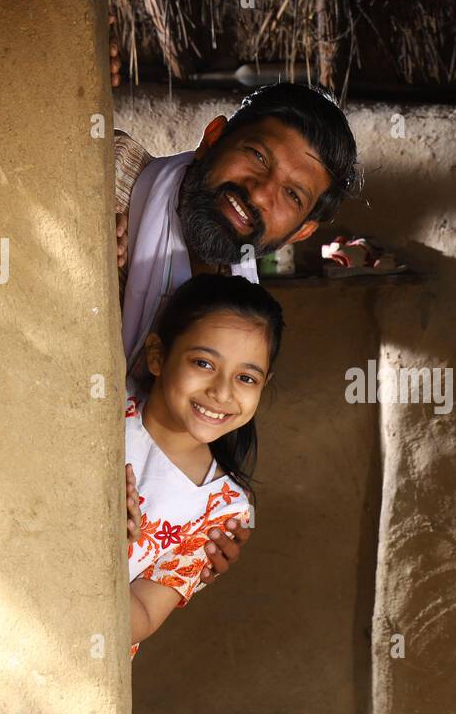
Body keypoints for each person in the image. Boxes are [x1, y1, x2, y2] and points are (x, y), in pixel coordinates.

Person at [114, 80, 362, 586]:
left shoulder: (235, 312)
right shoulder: (105, 175)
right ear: (212, 137)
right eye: (256, 155)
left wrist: (186, 522)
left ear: (302, 232)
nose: (259, 192)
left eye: (292, 195)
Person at [123, 274, 284, 658]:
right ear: (158, 355)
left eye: (246, 377)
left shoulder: (223, 510)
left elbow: (143, 615)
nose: (222, 392)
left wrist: (106, 555)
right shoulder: (108, 405)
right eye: (203, 363)